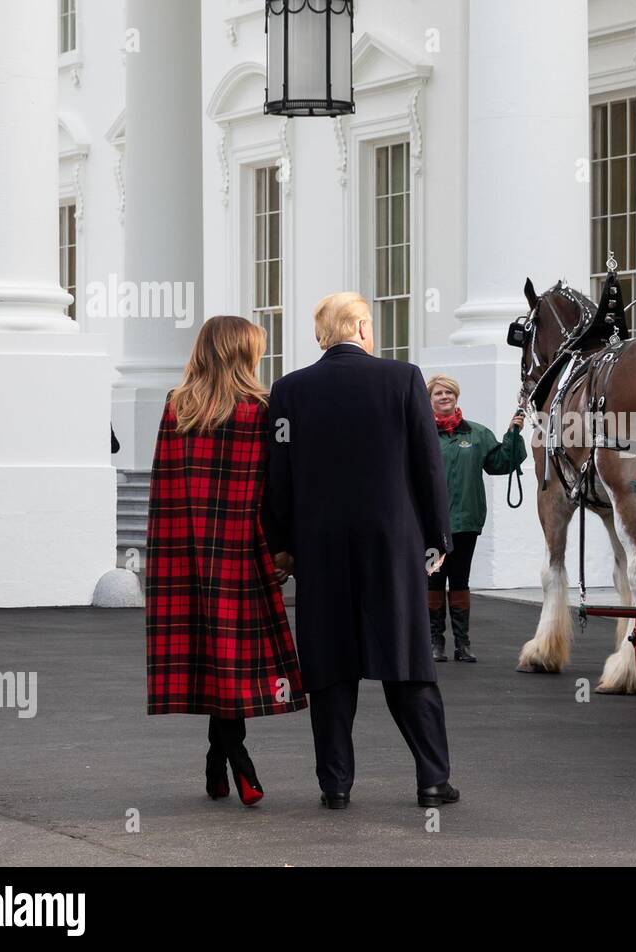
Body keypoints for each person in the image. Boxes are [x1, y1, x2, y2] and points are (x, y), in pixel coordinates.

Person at [262, 292, 458, 811]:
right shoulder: (403, 379)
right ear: (363, 329)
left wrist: (280, 545)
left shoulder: (288, 391)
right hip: (393, 544)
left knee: (329, 667)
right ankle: (433, 780)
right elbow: (427, 466)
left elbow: (276, 479)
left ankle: (336, 784)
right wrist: (439, 536)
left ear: (323, 334)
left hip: (319, 547)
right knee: (407, 661)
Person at [145, 315, 306, 808]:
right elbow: (278, 489)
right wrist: (284, 548)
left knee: (215, 658)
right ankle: (238, 762)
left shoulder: (177, 407)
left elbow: (162, 486)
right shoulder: (261, 409)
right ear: (242, 353)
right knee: (232, 658)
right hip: (241, 551)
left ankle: (219, 762)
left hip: (185, 553)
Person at [426, 375, 527, 663]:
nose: (444, 396)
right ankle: (435, 643)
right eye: (438, 393)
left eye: (449, 392)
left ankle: (463, 644)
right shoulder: (420, 435)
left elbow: (499, 463)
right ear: (429, 399)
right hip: (430, 524)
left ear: (456, 397)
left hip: (466, 522)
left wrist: (512, 435)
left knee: (460, 580)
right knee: (433, 581)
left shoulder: (477, 434)